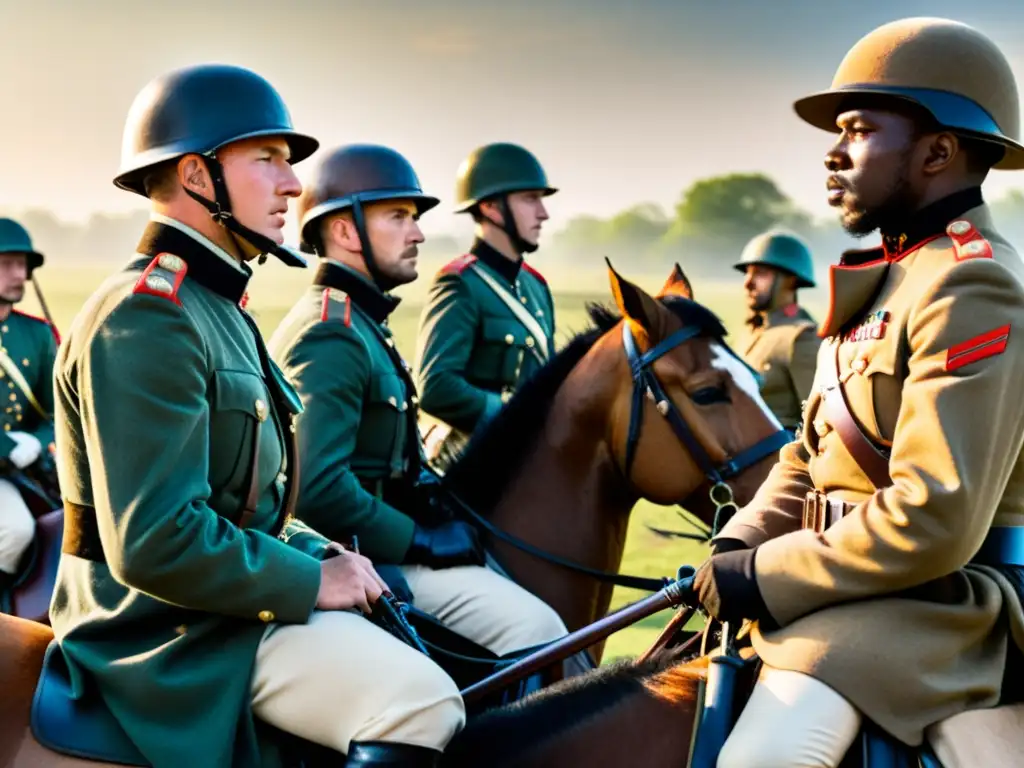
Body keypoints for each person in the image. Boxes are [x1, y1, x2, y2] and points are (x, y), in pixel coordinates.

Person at [48, 65, 463, 768]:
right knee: (420, 703)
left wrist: (320, 552)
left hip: (222, 608)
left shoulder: (219, 308)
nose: (294, 184)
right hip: (163, 633)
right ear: (196, 175)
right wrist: (311, 582)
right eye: (266, 159)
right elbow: (153, 540)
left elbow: (249, 508)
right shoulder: (149, 314)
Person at [693, 18, 1024, 768]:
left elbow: (935, 517)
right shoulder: (887, 278)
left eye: (859, 130)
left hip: (937, 606)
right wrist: (740, 540)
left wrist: (764, 575)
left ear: (938, 152)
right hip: (847, 587)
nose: (834, 153)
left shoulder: (973, 283)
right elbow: (808, 458)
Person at [268, 143, 567, 663]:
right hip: (354, 559)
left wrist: (431, 502)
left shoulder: (361, 323)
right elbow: (316, 489)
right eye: (399, 216)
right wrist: (420, 542)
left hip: (377, 542)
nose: (419, 233)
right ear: (343, 231)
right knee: (538, 627)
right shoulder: (330, 332)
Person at [413, 142, 557, 470]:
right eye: (529, 199)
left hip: (529, 463)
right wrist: (511, 413)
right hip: (476, 467)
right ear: (492, 207)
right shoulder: (460, 283)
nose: (543, 213)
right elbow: (436, 386)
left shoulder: (536, 286)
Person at [0, 217, 58, 604]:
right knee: (14, 529)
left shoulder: (37, 334)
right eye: (7, 264)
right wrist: (6, 446)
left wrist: (37, 442)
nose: (18, 274)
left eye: (22, 265)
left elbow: (59, 411)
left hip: (27, 470)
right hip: (6, 465)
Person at [734, 229, 821, 433]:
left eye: (761, 273)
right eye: (748, 272)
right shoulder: (750, 332)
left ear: (790, 280)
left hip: (776, 460)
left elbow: (820, 425)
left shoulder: (801, 338)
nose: (748, 282)